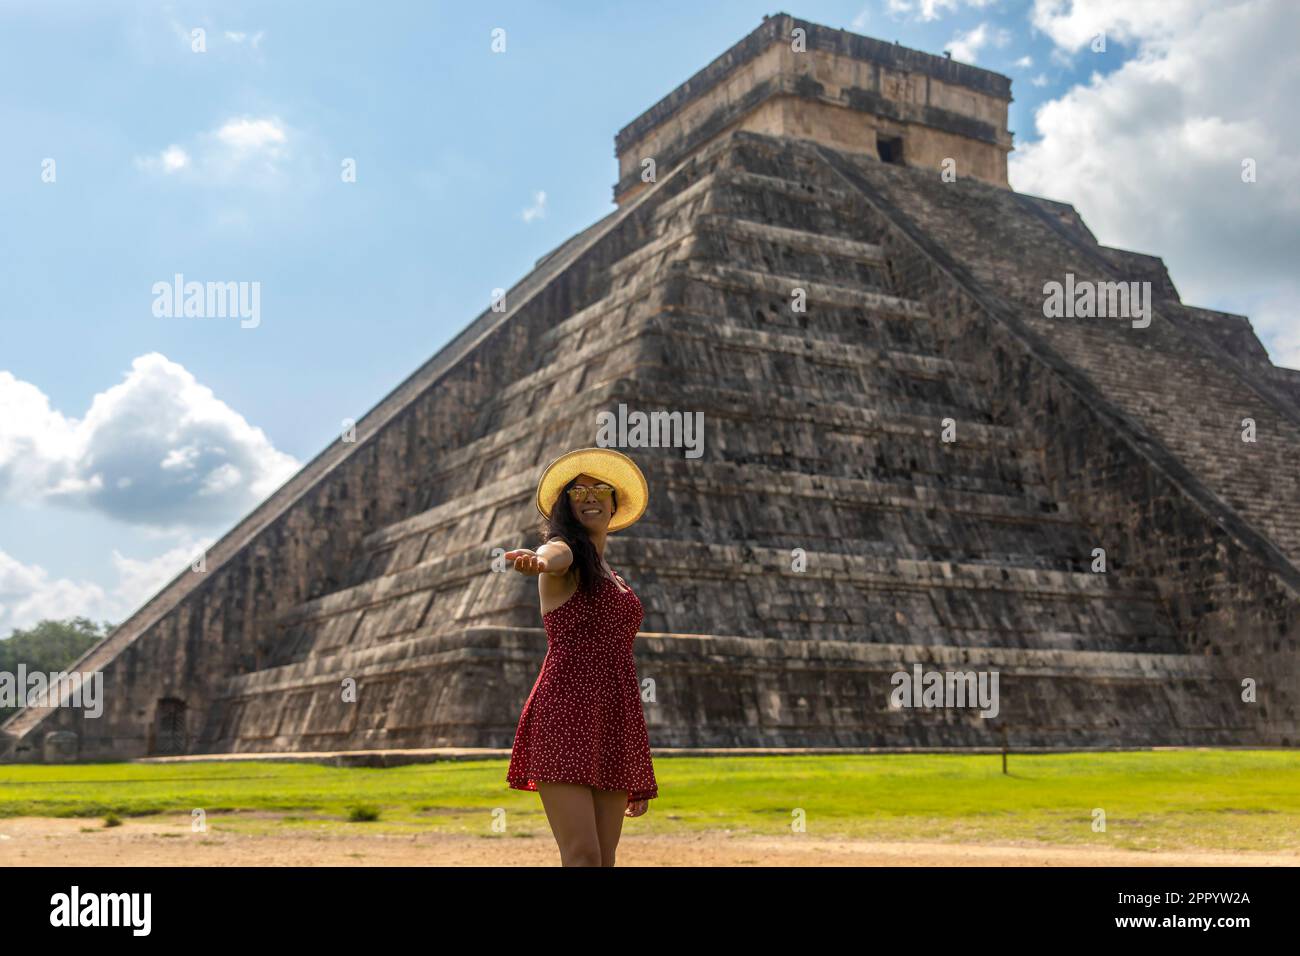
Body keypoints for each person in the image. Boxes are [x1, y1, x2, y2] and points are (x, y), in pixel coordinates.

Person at [504, 447, 657, 866]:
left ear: (614, 503)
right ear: (566, 504)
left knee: (605, 859)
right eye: (578, 491)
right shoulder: (564, 552)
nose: (590, 497)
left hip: (613, 716)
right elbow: (554, 555)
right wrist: (537, 561)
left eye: (600, 489)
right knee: (583, 855)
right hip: (565, 713)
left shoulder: (615, 577)